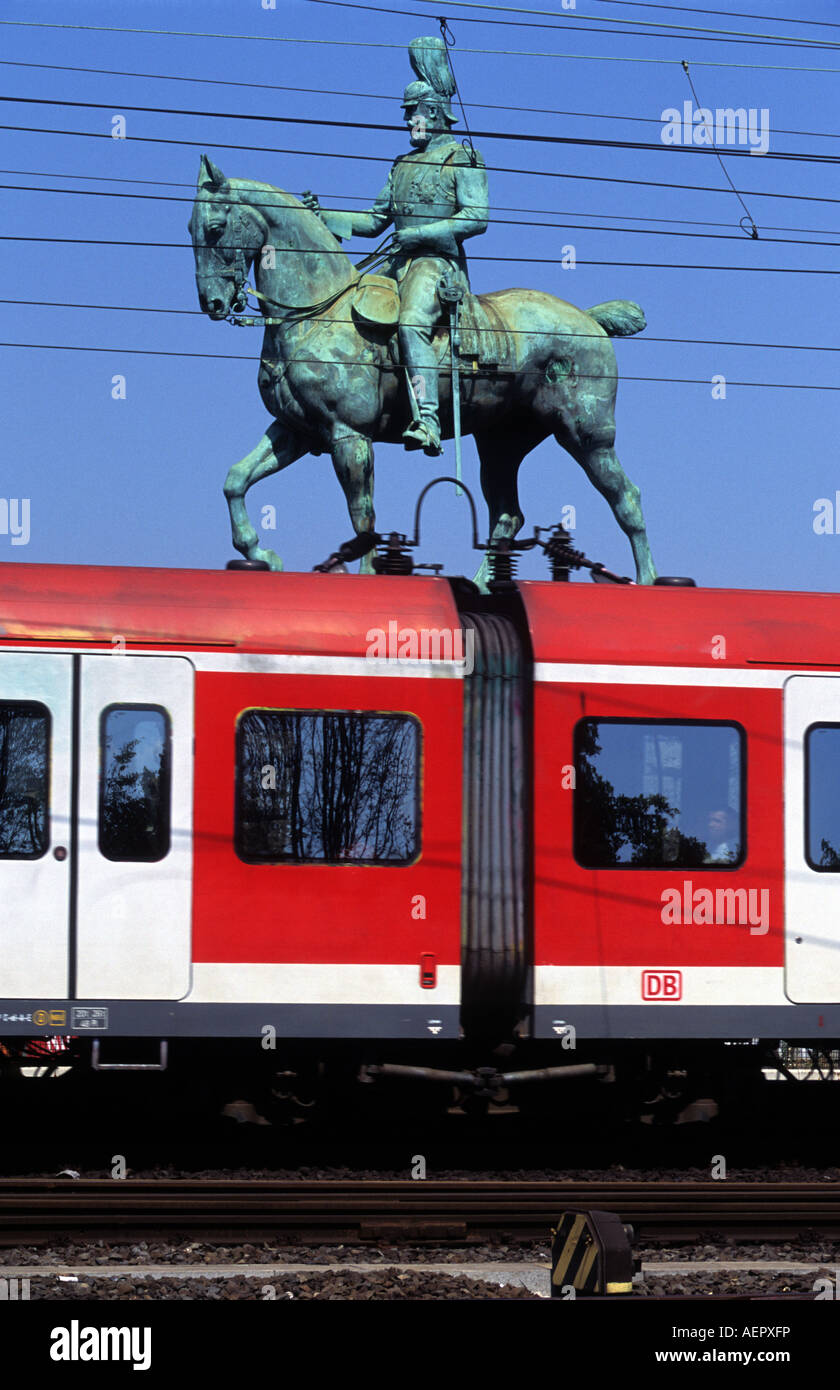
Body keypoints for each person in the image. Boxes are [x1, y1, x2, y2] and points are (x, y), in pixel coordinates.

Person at [302, 36, 489, 456]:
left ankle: (426, 418)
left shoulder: (464, 159)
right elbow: (372, 222)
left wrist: (421, 234)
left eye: (413, 115)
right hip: (398, 261)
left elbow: (477, 218)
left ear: (436, 114)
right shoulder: (401, 165)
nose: (408, 123)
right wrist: (322, 217)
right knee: (348, 306)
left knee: (410, 323)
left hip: (437, 265)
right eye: (407, 116)